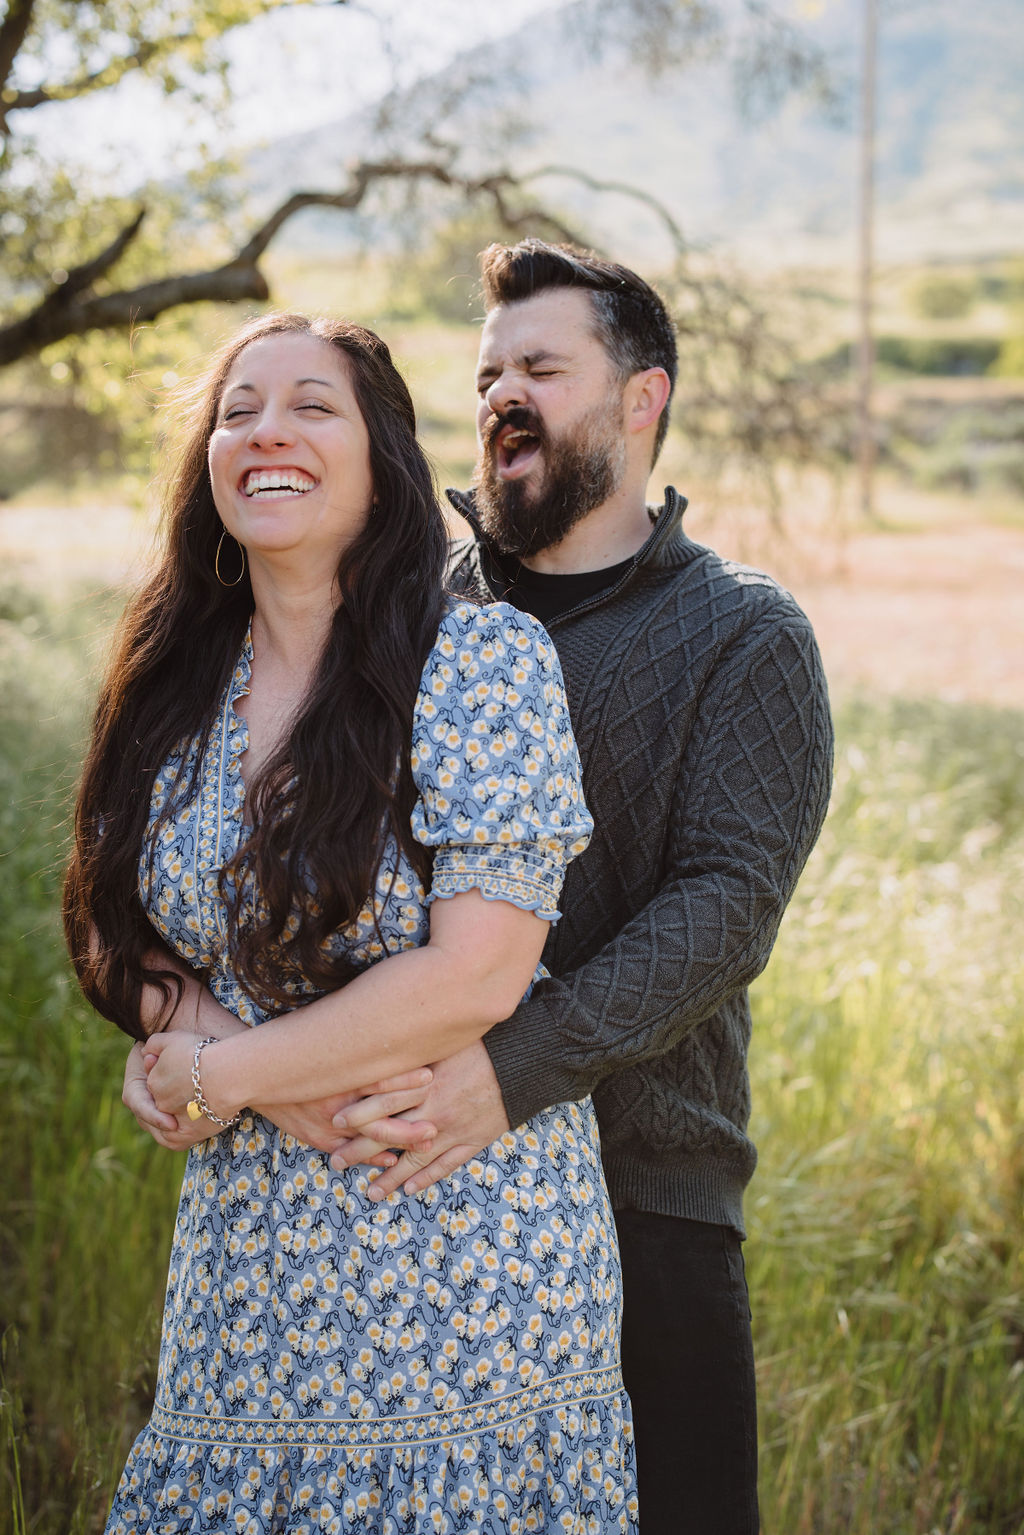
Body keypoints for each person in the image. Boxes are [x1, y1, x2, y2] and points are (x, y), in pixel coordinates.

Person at [285, 241, 835, 1533]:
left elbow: (724, 912)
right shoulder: (414, 616)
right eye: (486, 374)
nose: (500, 397)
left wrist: (508, 1068)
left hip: (651, 1201)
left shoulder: (744, 633)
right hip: (408, 1188)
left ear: (642, 399)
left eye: (540, 366)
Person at [66, 311, 638, 1533]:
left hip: (453, 1225)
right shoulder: (172, 676)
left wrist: (213, 1069)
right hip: (247, 1260)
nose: (266, 430)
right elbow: (119, 931)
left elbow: (477, 974)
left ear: (381, 457)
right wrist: (220, 1058)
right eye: (238, 410)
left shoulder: (478, 659)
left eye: (311, 406)